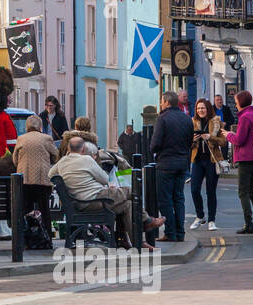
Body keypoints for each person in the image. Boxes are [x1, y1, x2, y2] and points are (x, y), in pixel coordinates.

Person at [49, 136, 164, 250]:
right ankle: (147, 221)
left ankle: (132, 241)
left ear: (68, 149)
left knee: (127, 205)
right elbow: (104, 179)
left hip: (79, 202)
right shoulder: (86, 159)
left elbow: (51, 175)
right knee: (129, 191)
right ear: (83, 149)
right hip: (95, 199)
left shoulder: (62, 161)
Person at [148, 90, 193, 242]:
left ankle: (170, 232)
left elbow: (155, 143)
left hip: (166, 164)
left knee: (165, 200)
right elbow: (189, 142)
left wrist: (154, 151)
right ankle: (180, 233)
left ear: (167, 102)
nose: (161, 103)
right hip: (182, 164)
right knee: (179, 198)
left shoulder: (162, 118)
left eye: (162, 101)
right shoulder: (187, 119)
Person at [226, 90, 253, 234]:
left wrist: (228, 134)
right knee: (252, 191)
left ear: (241, 102)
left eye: (236, 101)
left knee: (243, 192)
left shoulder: (245, 117)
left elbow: (239, 140)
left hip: (245, 157)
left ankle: (248, 223)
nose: (235, 104)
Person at [12, 115, 57, 232]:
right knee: (44, 209)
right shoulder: (46, 138)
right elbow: (56, 156)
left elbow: (15, 160)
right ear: (40, 126)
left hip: (25, 180)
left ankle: (28, 238)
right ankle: (46, 235)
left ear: (27, 126)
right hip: (42, 180)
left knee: (27, 209)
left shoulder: (21, 138)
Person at [188, 98, 227, 231]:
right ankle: (200, 216)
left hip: (212, 160)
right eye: (198, 109)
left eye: (203, 108)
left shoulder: (216, 122)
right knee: (194, 189)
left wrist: (210, 137)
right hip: (197, 161)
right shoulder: (193, 123)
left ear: (208, 109)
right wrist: (193, 140)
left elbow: (223, 142)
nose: (200, 111)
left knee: (211, 191)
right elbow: (186, 143)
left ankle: (211, 220)